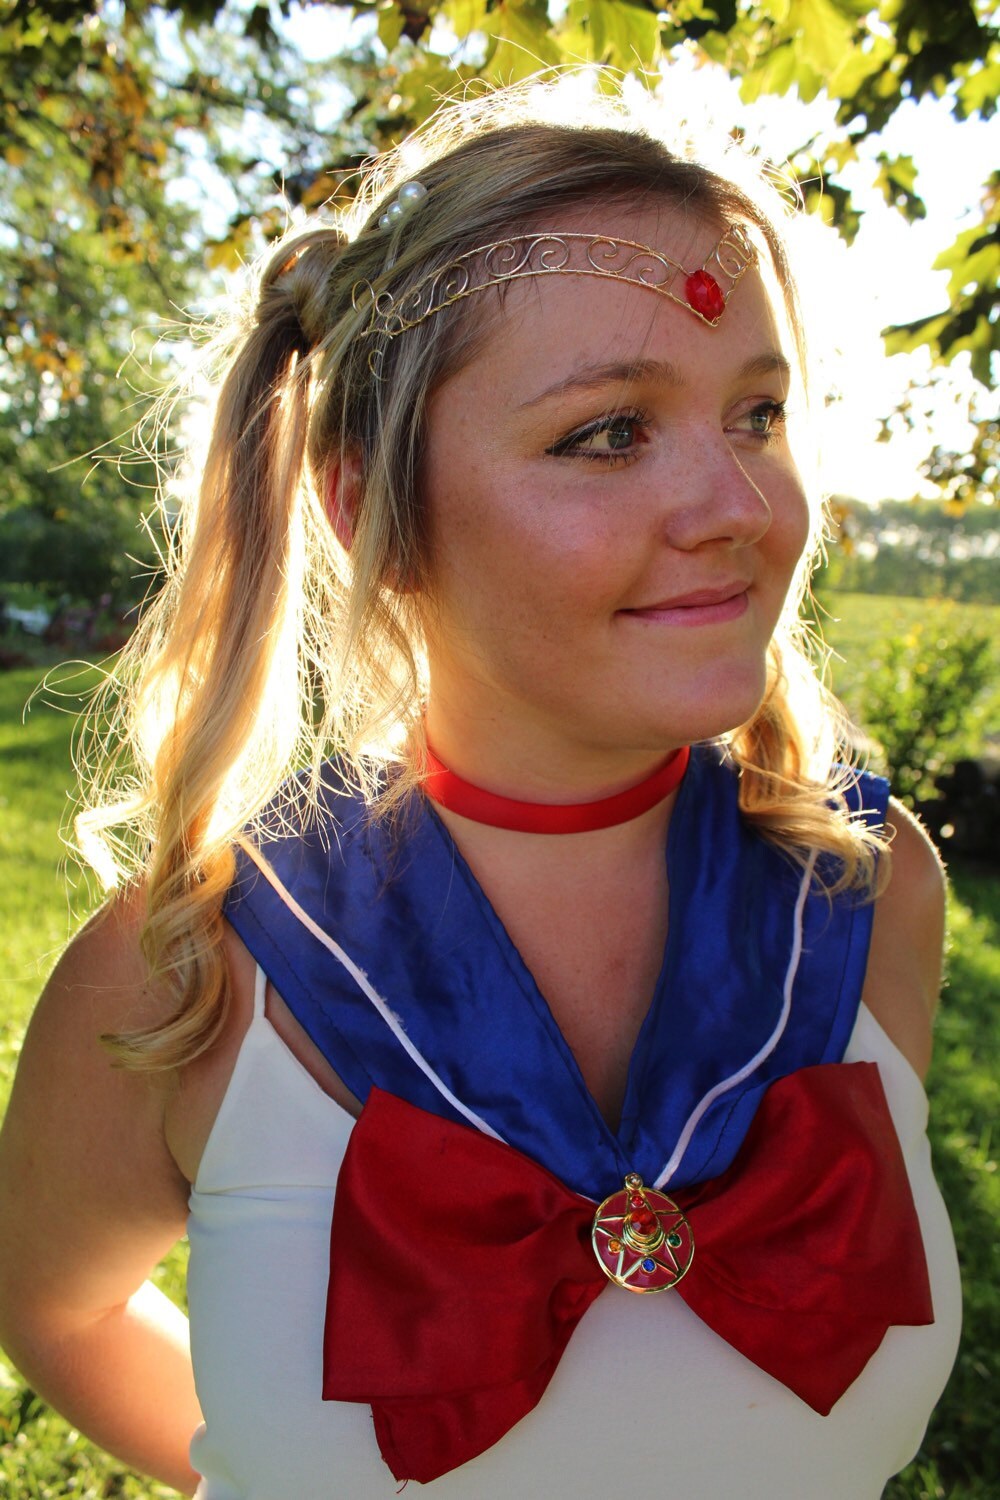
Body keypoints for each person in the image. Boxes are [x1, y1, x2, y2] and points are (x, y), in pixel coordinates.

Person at [0, 80, 961, 1499]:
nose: (742, 508)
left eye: (757, 415)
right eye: (610, 432)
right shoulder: (194, 972)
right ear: (367, 510)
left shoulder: (870, 894)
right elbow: (54, 1311)